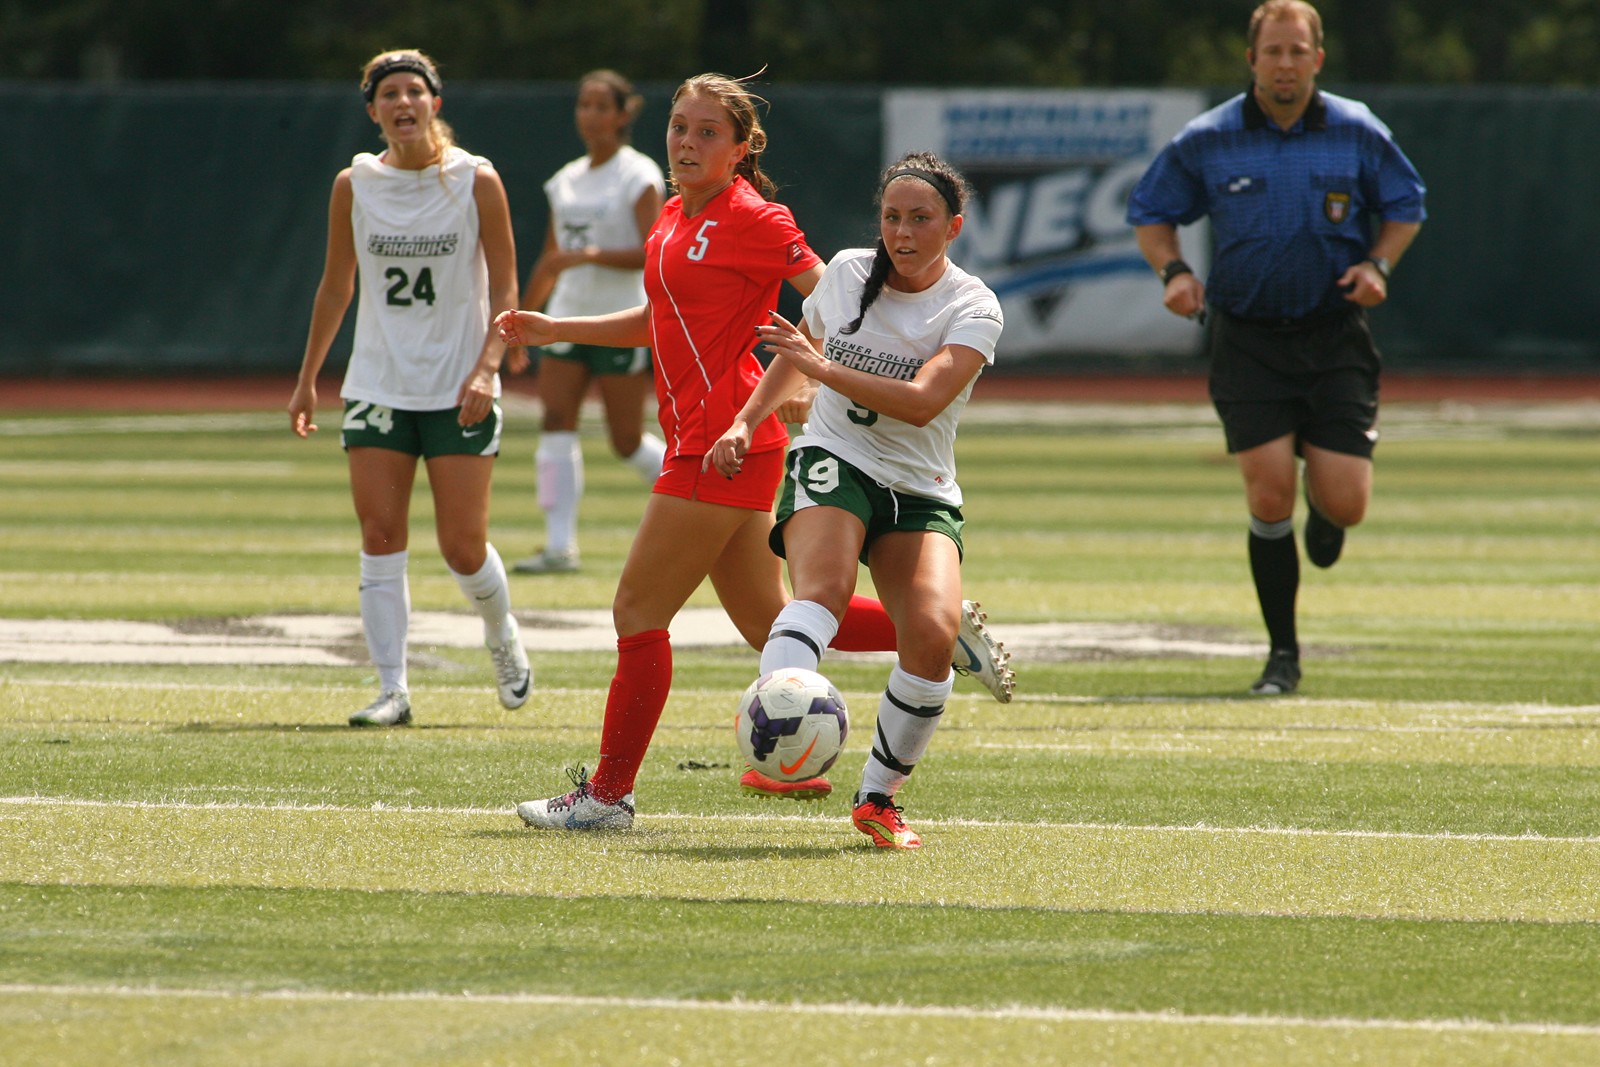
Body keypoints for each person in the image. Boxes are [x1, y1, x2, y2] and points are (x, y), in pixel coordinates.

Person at [495, 73, 1013, 832]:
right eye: (679, 126)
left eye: (708, 132)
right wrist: (558, 329)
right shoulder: (673, 212)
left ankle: (608, 796)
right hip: (716, 437)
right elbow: (662, 316)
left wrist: (808, 377)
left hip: (720, 441)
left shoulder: (754, 216)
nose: (687, 142)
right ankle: (936, 633)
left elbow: (833, 298)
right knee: (775, 621)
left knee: (637, 610)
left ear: (742, 149)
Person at [1126, 0, 1425, 696]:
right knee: (1267, 493)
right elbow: (1151, 213)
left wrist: (1379, 264)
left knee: (1346, 503)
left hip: (1334, 332)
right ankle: (1282, 656)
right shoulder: (1209, 137)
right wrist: (1174, 273)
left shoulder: (1357, 129)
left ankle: (1327, 510)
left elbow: (1406, 205)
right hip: (1248, 336)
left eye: (1297, 51)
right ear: (1252, 59)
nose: (1285, 64)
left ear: (1316, 59)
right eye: (1273, 52)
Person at [706, 152, 1002, 850]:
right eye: (892, 217)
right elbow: (797, 353)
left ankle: (878, 798)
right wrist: (746, 420)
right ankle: (778, 746)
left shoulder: (974, 305)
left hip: (921, 487)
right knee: (825, 590)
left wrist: (823, 369)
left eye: (920, 218)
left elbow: (924, 401)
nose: (902, 232)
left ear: (953, 227)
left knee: (930, 636)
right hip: (835, 458)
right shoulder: (845, 273)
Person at [287, 48, 530, 727]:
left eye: (413, 92)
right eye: (388, 94)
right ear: (373, 111)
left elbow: (507, 286)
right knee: (380, 532)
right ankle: (391, 689)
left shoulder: (476, 179)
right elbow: (337, 286)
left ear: (434, 104)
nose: (402, 103)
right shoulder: (354, 184)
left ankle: (500, 631)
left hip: (458, 386)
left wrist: (487, 366)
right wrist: (307, 379)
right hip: (378, 382)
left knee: (463, 547)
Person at [511, 70, 668, 576]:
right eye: (584, 105)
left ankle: (701, 494)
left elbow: (655, 253)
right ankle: (559, 547)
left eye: (602, 106)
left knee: (626, 441)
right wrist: (521, 320)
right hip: (566, 318)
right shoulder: (566, 179)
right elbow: (552, 258)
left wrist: (590, 255)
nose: (590, 115)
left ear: (623, 115)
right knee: (555, 421)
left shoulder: (637, 174)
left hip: (621, 322)